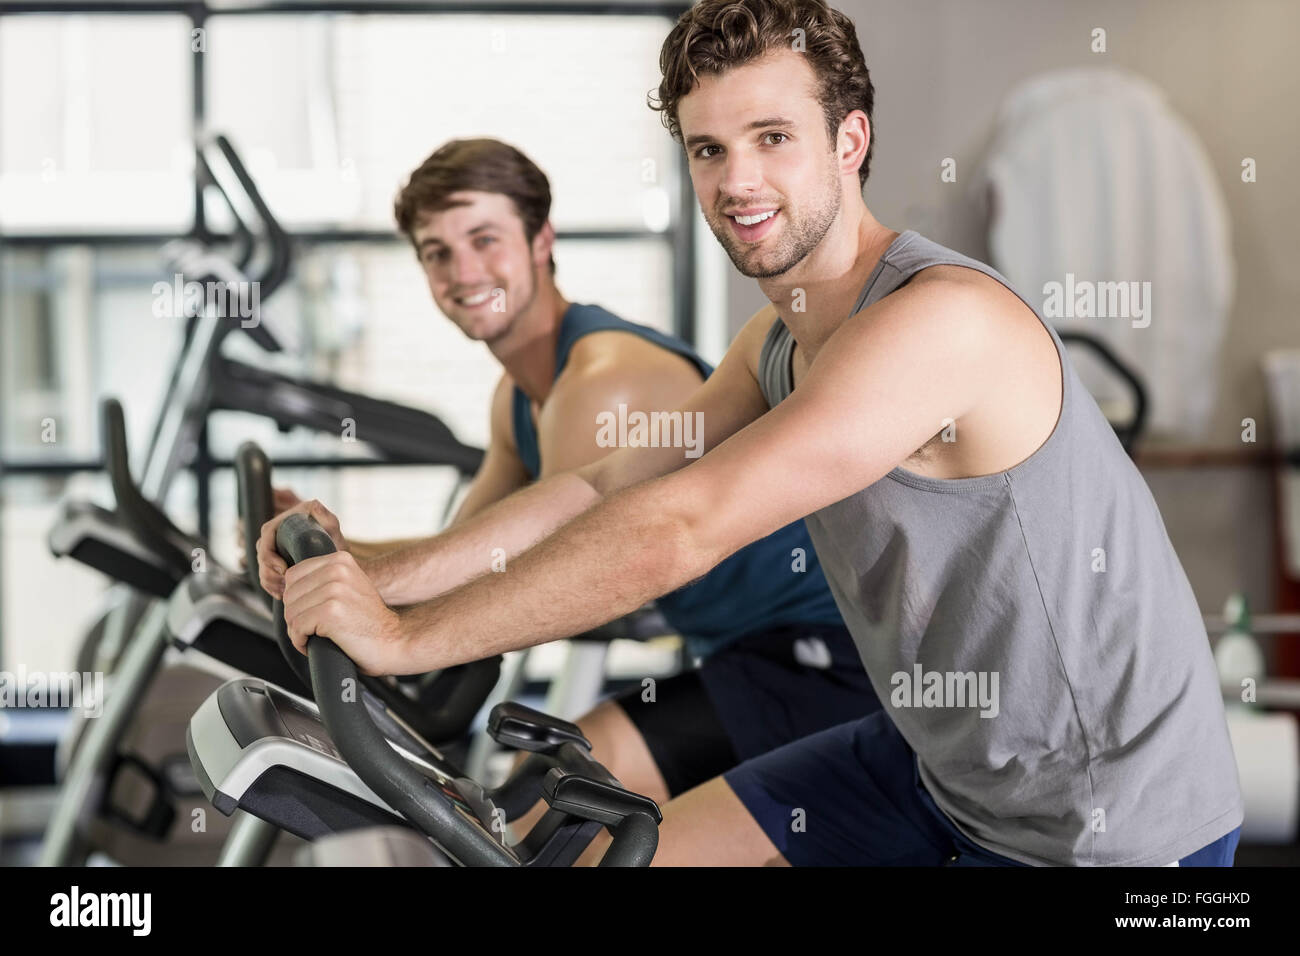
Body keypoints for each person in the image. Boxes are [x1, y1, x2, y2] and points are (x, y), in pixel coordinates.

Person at [259, 0, 1243, 867]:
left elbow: (684, 524)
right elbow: (608, 482)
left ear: (849, 140)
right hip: (937, 764)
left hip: (1102, 824)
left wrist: (403, 638)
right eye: (708, 148)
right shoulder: (777, 335)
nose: (738, 180)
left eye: (773, 137)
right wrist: (380, 569)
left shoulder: (940, 320)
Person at [260, 136, 880, 811]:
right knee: (538, 798)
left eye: (484, 239)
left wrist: (390, 624)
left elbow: (551, 569)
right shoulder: (520, 394)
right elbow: (473, 547)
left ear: (540, 240)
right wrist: (339, 556)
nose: (464, 271)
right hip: (739, 652)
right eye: (437, 253)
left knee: (547, 802)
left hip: (824, 655)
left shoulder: (601, 381)